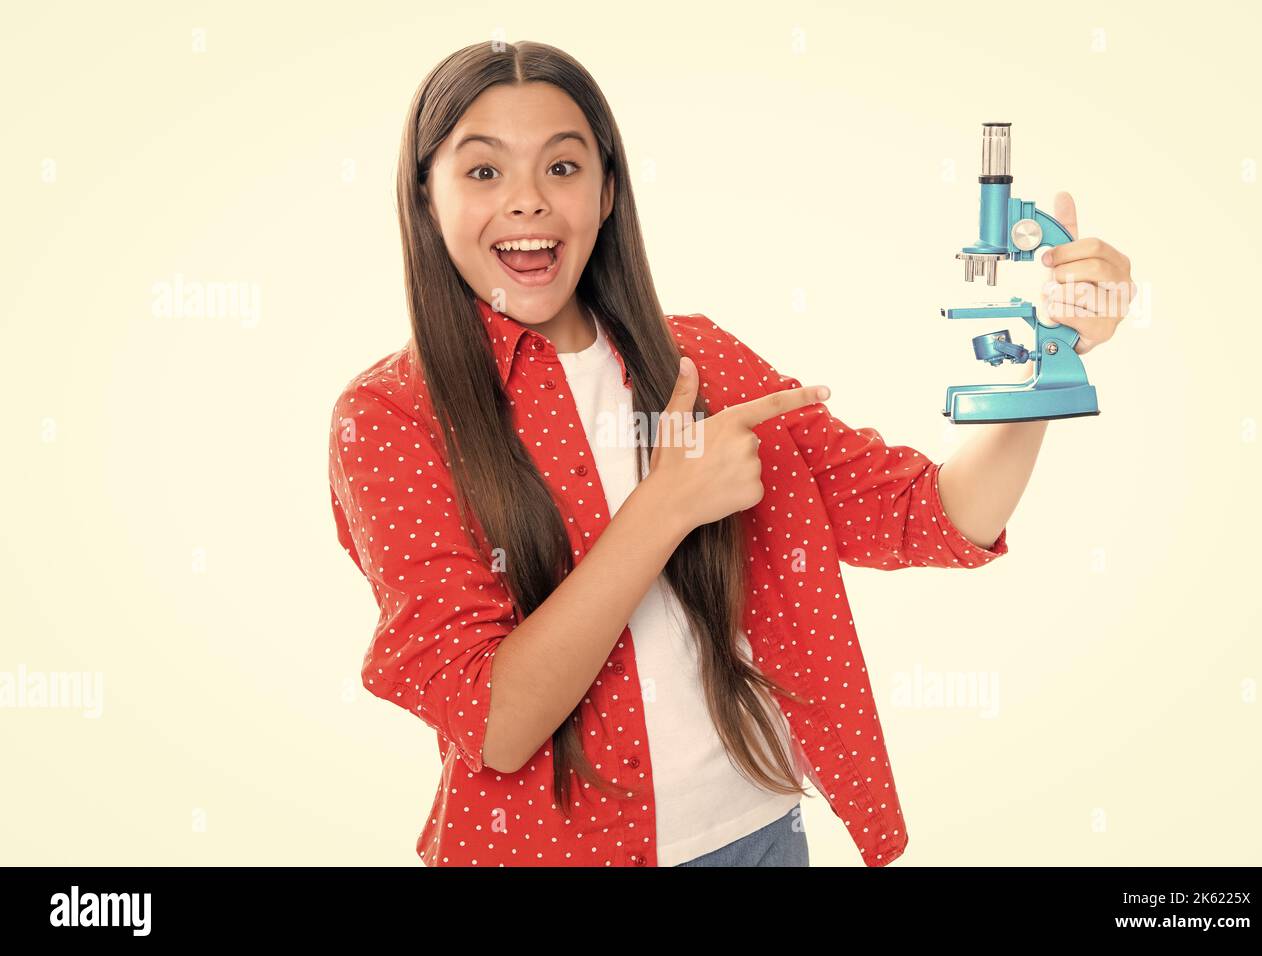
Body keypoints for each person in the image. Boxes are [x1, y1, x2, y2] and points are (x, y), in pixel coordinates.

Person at [327, 40, 1134, 867]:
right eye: (484, 172)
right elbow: (494, 724)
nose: (528, 201)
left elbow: (931, 515)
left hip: (757, 840)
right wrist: (666, 506)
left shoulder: (702, 361)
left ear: (607, 192)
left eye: (562, 168)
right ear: (425, 195)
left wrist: (1049, 359)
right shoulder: (391, 416)